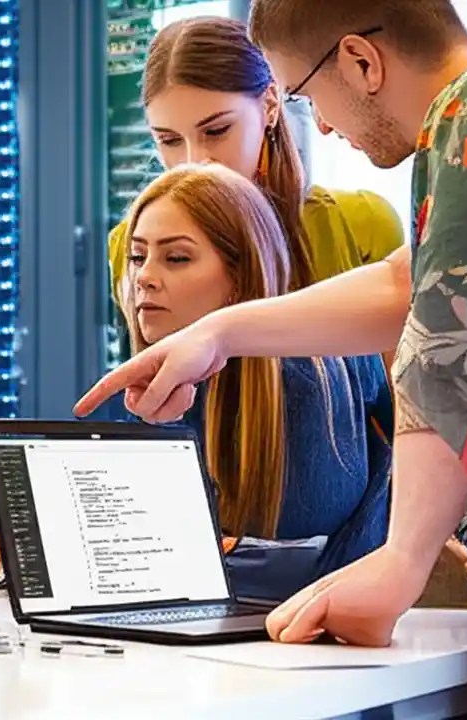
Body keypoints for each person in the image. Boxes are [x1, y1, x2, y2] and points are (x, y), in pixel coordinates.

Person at [75, 0, 467, 661]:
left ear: (360, 61)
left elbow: (450, 348)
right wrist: (219, 334)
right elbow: (404, 288)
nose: (316, 120)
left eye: (308, 92)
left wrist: (401, 560)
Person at [101, 162, 391, 600]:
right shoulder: (129, 394)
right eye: (138, 256)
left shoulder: (313, 381)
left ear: (241, 277)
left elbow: (293, 567)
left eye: (176, 257)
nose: (144, 277)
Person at [106, 16, 403, 321]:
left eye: (217, 130)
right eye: (169, 140)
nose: (194, 162)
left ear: (270, 105)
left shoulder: (359, 228)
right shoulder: (129, 248)